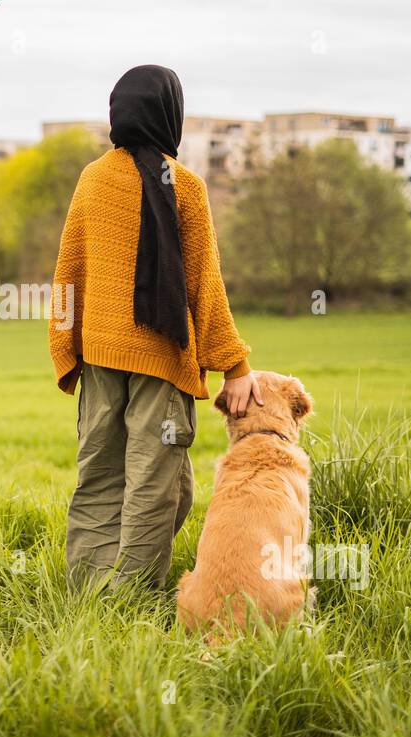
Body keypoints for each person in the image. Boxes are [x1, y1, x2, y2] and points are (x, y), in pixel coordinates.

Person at [48, 64, 261, 592]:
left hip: (99, 357)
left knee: (101, 475)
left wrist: (67, 343)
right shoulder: (185, 186)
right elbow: (203, 285)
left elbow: (67, 271)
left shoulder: (92, 177)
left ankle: (90, 595)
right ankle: (128, 603)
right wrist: (236, 366)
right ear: (171, 115)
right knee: (153, 484)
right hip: (160, 359)